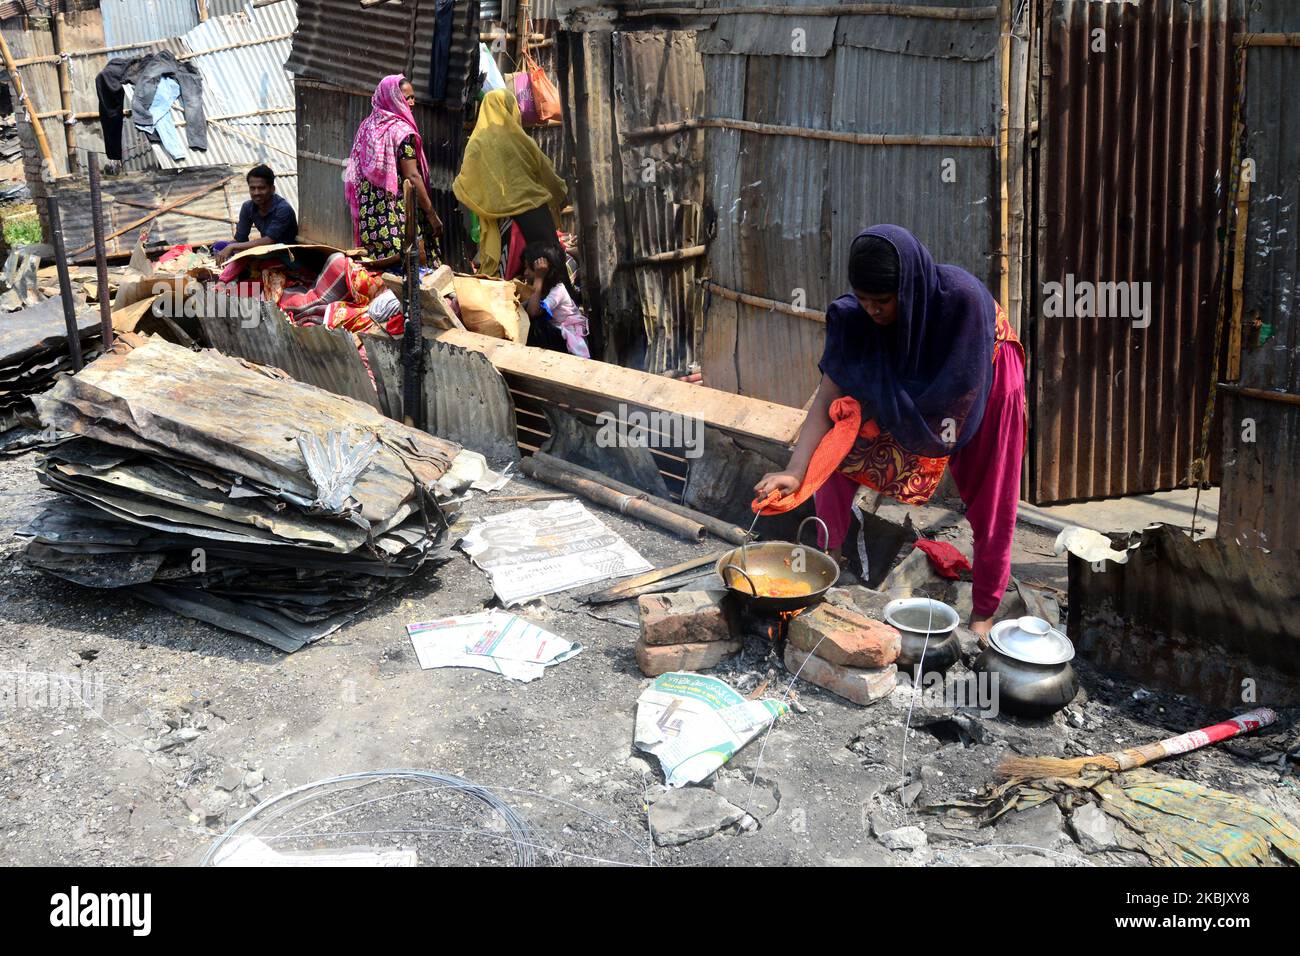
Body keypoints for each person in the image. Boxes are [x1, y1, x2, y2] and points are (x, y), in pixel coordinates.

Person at [754, 225, 1027, 640]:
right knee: (842, 437)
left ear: (909, 290)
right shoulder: (855, 320)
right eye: (863, 300)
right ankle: (831, 555)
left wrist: (889, 419)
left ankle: (985, 610)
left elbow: (949, 400)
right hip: (911, 383)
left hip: (984, 372)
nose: (872, 311)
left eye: (882, 301)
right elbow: (827, 398)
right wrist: (795, 471)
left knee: (991, 496)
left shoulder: (961, 304)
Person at [453, 89, 566, 277]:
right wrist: (561, 195)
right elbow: (547, 173)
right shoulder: (521, 139)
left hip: (504, 223)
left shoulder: (477, 143)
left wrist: (490, 204)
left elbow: (463, 185)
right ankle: (564, 305)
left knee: (512, 281)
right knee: (554, 271)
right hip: (536, 215)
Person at [344, 75, 443, 264]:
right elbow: (412, 175)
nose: (412, 103)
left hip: (371, 216)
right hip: (395, 214)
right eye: (407, 98)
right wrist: (432, 215)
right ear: (392, 98)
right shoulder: (402, 132)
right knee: (413, 270)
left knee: (379, 270)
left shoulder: (367, 126)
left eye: (413, 98)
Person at [213, 165, 297, 264]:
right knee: (219, 246)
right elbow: (240, 239)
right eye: (252, 188)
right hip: (263, 251)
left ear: (272, 189)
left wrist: (232, 246)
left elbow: (268, 241)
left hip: (286, 255)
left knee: (241, 257)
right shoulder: (248, 207)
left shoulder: (283, 209)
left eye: (261, 188)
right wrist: (225, 247)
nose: (256, 193)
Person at [521, 240, 589, 358]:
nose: (525, 273)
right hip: (557, 335)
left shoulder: (558, 290)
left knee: (536, 325)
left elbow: (533, 312)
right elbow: (525, 305)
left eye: (529, 269)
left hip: (569, 341)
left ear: (544, 270)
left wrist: (538, 277)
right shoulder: (541, 290)